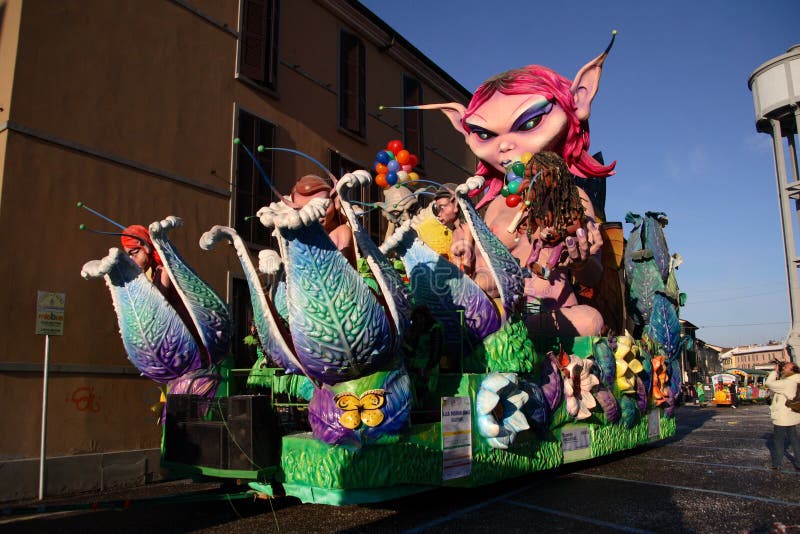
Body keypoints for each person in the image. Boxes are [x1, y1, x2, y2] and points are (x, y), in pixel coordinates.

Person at [402, 305, 444, 409]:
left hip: (427, 367)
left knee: (425, 392)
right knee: (415, 392)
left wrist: (428, 368)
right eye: (415, 319)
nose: (417, 321)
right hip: (415, 367)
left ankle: (424, 410)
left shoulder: (435, 329)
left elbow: (436, 351)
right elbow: (413, 350)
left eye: (419, 318)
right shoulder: (416, 329)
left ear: (425, 317)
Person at [764, 361, 800, 470]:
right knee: (794, 440)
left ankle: (777, 464)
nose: (783, 368)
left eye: (786, 367)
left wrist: (775, 372)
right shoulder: (796, 380)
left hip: (782, 417)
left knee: (779, 441)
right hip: (792, 415)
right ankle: (799, 462)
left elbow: (769, 384)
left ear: (792, 370)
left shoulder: (788, 382)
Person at [431, 187, 475, 275]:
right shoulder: (455, 232)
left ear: (456, 204)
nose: (439, 214)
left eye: (442, 207)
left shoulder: (467, 228)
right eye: (437, 209)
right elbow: (457, 263)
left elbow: (467, 261)